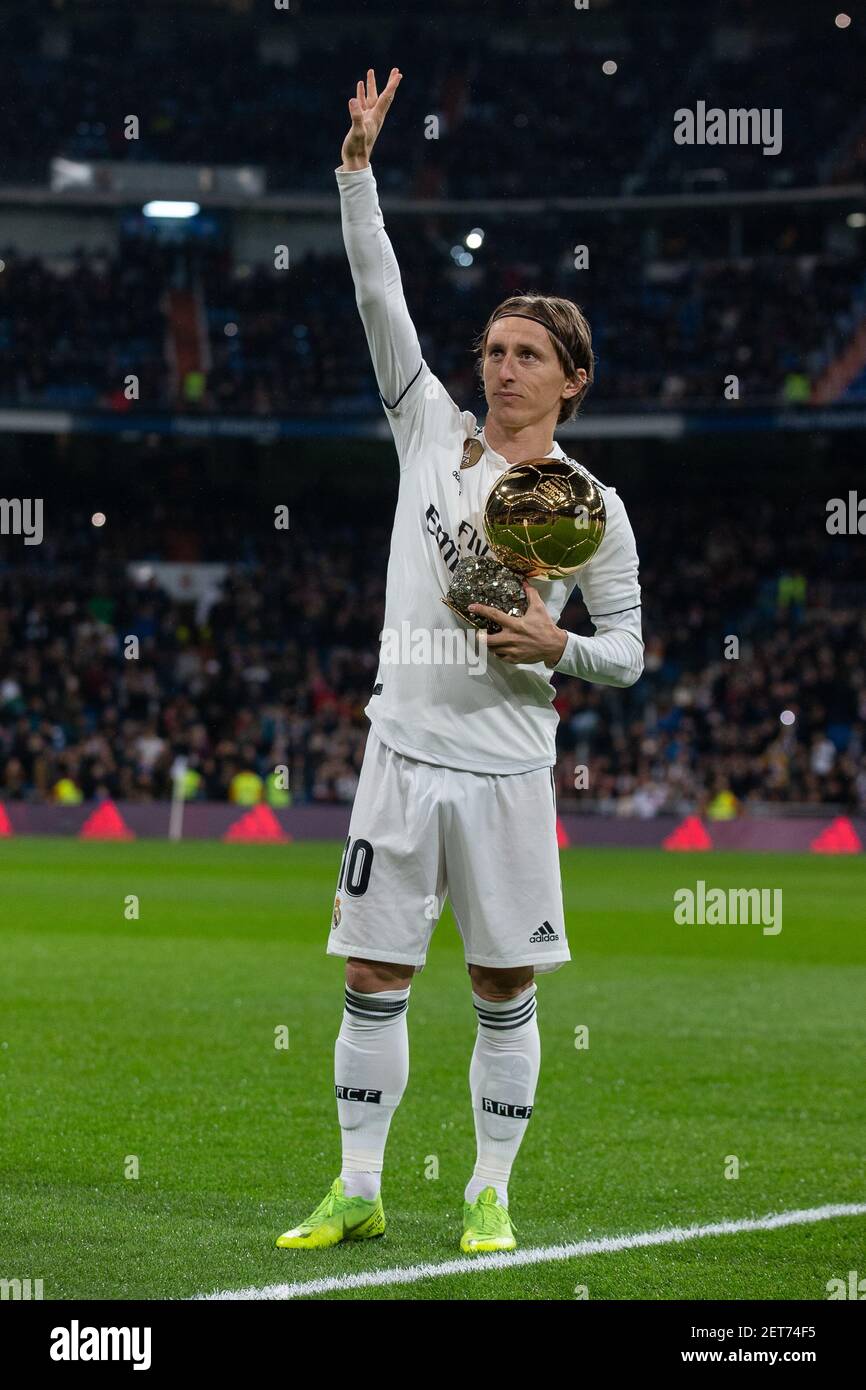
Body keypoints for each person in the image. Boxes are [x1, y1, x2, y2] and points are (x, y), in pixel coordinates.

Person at [277, 67, 644, 1255]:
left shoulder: (591, 508)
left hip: (504, 768)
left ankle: (489, 1190)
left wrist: (561, 645)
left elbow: (629, 655)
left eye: (525, 353)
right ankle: (359, 1182)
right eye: (490, 347)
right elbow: (374, 287)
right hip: (399, 750)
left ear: (570, 379)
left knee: (499, 990)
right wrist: (355, 169)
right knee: (372, 974)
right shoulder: (427, 427)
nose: (498, 366)